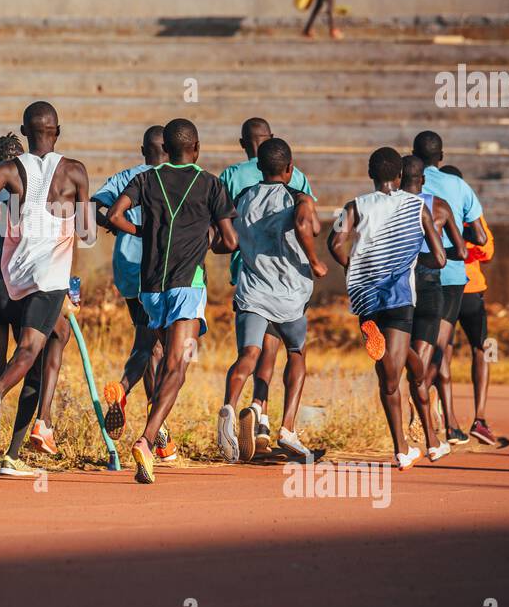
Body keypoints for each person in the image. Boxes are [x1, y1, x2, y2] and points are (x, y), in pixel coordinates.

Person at [0, 101, 94, 474]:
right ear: (57, 132)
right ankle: (14, 447)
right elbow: (87, 234)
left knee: (6, 367)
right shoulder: (75, 171)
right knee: (31, 357)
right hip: (48, 282)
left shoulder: (9, 171)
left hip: (4, 280)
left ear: (26, 132)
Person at [106, 118, 238, 484]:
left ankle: (139, 407)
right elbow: (230, 241)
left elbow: (115, 216)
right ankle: (147, 439)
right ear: (195, 149)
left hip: (150, 288)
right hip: (187, 285)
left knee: (157, 353)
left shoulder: (147, 179)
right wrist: (205, 240)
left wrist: (145, 233)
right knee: (178, 366)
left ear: (166, 149)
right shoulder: (210, 184)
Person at [328, 147, 446, 470]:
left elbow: (334, 244)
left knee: (392, 364)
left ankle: (408, 446)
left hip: (366, 295)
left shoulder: (354, 206)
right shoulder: (417, 206)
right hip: (399, 297)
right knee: (391, 378)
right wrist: (405, 261)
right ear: (399, 177)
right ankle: (402, 448)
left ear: (370, 175)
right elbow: (440, 258)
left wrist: (356, 265)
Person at [218, 137, 326, 464]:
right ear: (290, 169)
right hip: (290, 295)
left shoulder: (243, 197)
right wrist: (314, 259)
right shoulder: (298, 197)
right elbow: (308, 225)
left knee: (250, 354)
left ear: (259, 168)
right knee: (296, 353)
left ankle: (231, 406)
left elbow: (226, 242)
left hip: (252, 292)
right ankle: (287, 428)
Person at [412, 131, 487, 446]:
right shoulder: (458, 186)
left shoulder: (410, 183)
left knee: (420, 346)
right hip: (453, 276)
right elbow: (481, 238)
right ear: (441, 157)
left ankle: (437, 421)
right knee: (438, 349)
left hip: (414, 272)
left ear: (414, 155)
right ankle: (422, 415)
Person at [92, 125, 166, 439]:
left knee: (150, 343)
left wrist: (116, 225)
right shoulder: (179, 180)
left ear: (142, 149)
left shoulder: (127, 177)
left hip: (131, 272)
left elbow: (95, 207)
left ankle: (155, 422)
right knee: (159, 348)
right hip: (167, 272)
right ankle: (152, 421)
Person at [400, 154, 466, 461]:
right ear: (423, 179)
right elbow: (462, 250)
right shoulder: (438, 206)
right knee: (423, 363)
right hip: (429, 283)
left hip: (398, 284)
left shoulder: (390, 203)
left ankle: (399, 363)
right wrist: (436, 249)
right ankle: (429, 429)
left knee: (399, 355)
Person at [439, 164, 497, 446]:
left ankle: (454, 420)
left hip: (450, 288)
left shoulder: (434, 209)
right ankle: (476, 419)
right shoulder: (468, 210)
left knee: (447, 350)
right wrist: (467, 250)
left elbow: (487, 249)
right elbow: (486, 249)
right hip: (468, 288)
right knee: (477, 349)